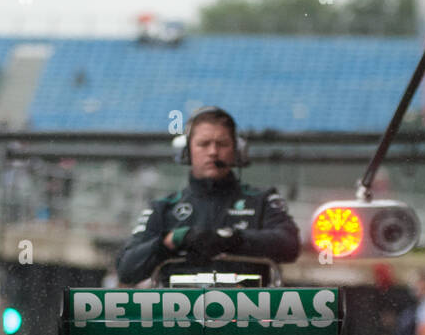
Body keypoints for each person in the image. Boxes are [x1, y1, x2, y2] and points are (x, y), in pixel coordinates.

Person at [116, 106, 300, 285]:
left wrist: (231, 238)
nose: (213, 152)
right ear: (187, 152)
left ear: (236, 151)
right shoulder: (164, 208)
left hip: (248, 311)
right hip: (178, 313)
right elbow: (126, 270)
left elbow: (290, 246)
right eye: (204, 144)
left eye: (222, 144)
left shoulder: (262, 200)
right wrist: (171, 241)